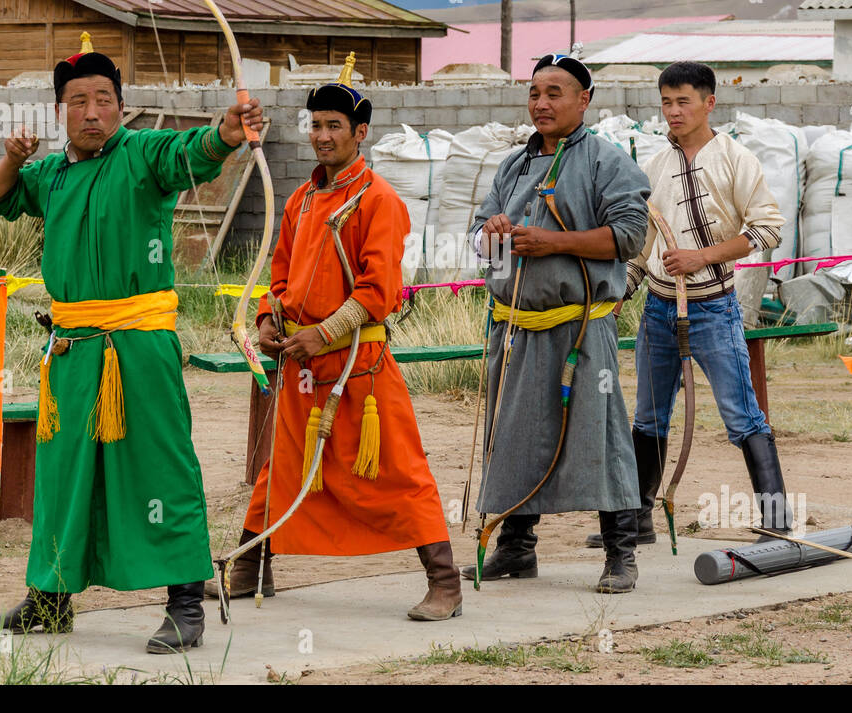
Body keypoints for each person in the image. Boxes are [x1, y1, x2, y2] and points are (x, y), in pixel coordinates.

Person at [0, 36, 264, 654]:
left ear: (120, 106)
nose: (91, 112)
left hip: (138, 345)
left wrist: (227, 130)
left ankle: (186, 602)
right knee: (62, 476)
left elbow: (193, 152)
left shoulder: (142, 155)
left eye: (103, 99)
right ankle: (49, 601)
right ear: (60, 112)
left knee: (158, 468)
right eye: (77, 101)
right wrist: (9, 158)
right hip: (71, 351)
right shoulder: (51, 173)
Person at [205, 54, 461, 621]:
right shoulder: (298, 200)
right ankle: (251, 564)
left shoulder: (380, 201)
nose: (321, 136)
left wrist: (323, 334)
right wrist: (271, 320)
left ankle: (445, 582)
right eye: (315, 125)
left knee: (397, 470)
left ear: (359, 133)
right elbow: (279, 275)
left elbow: (379, 292)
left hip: (359, 366)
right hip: (301, 363)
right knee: (282, 465)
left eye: (333, 126)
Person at [461, 54, 651, 593]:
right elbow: (485, 250)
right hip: (516, 328)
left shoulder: (606, 162)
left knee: (601, 437)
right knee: (513, 438)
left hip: (581, 331)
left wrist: (556, 242)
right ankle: (516, 548)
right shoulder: (511, 167)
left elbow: (629, 236)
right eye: (534, 93)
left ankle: (620, 554)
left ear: (583, 101)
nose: (541, 103)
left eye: (555, 93)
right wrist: (494, 234)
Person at [604, 60, 791, 549]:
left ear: (710, 102)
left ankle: (777, 523)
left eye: (683, 101)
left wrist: (702, 257)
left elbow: (767, 228)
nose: (673, 111)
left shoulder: (735, 158)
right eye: (666, 102)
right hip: (659, 309)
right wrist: (624, 287)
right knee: (648, 416)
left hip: (713, 308)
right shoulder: (655, 163)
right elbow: (645, 241)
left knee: (742, 416)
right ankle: (638, 522)